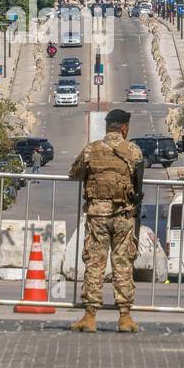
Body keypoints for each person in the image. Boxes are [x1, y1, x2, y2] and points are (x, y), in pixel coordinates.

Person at [68, 108, 145, 333]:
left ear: (107, 126)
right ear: (124, 128)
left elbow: (74, 173)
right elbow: (139, 182)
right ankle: (125, 317)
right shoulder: (133, 151)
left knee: (94, 263)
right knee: (123, 264)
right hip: (123, 215)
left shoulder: (92, 149)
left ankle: (90, 316)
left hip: (97, 216)